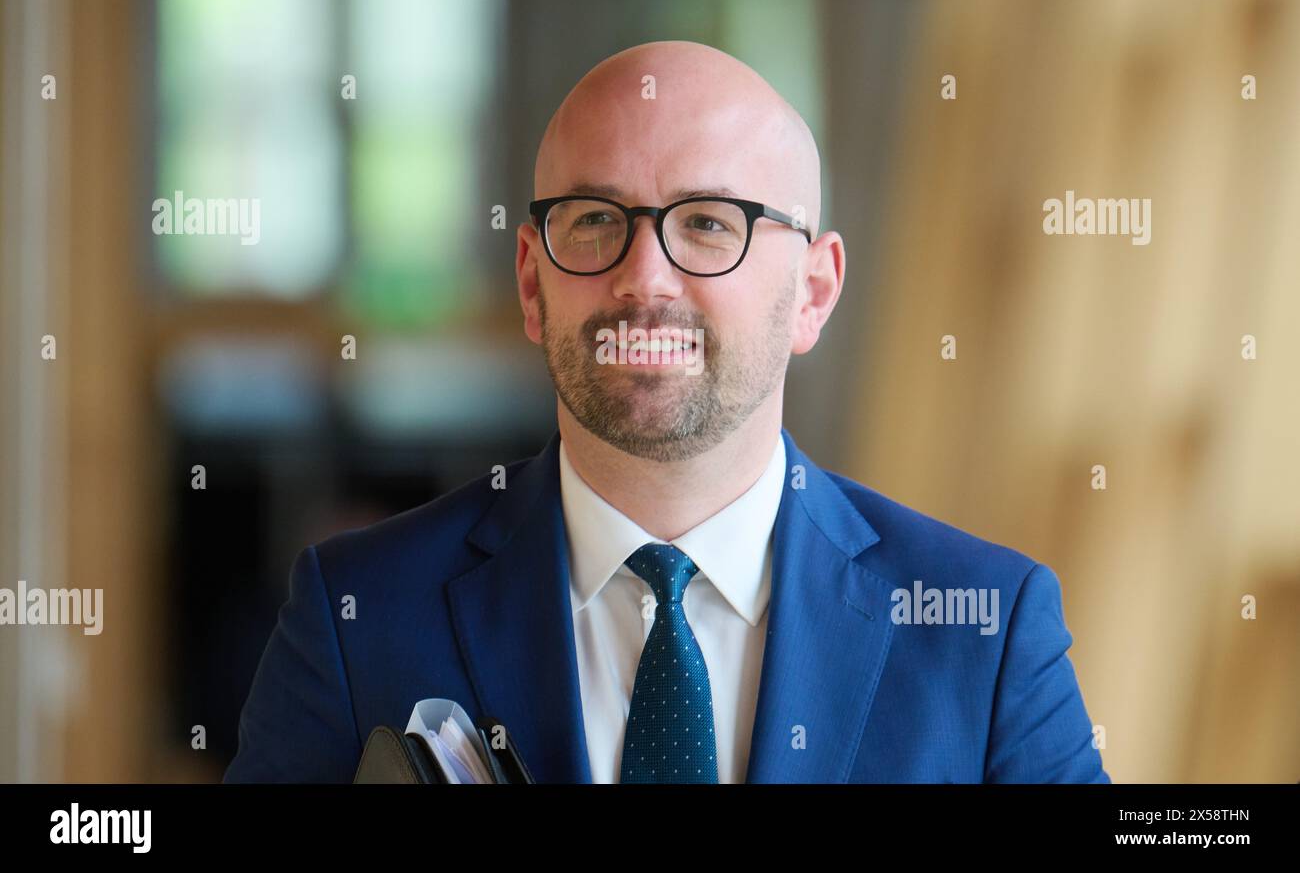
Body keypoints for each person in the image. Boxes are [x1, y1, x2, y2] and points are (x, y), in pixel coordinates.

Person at [225, 41, 1108, 783]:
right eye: (596, 220)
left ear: (814, 290)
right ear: (532, 283)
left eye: (710, 225)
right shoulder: (356, 614)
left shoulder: (985, 631)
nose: (644, 277)